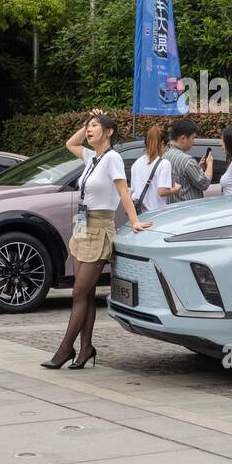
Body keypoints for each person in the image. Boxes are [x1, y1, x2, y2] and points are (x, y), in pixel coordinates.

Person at [43, 110, 151, 370]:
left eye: (95, 126)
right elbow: (71, 144)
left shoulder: (112, 158)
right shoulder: (92, 157)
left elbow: (123, 192)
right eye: (87, 126)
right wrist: (86, 122)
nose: (89, 130)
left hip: (100, 228)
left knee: (79, 292)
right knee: (86, 294)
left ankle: (65, 349)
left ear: (109, 132)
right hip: (82, 228)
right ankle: (86, 349)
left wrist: (134, 220)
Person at [129, 125, 179, 214]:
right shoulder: (164, 164)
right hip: (157, 214)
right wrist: (176, 189)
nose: (167, 149)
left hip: (140, 215)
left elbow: (134, 190)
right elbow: (162, 191)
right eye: (168, 145)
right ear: (162, 143)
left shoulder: (136, 163)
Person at [164, 116, 214, 203]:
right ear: (183, 138)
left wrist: (198, 169)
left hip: (171, 210)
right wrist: (209, 164)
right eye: (193, 138)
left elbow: (183, 179)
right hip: (188, 210)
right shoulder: (187, 161)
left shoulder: (163, 156)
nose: (194, 141)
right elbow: (204, 183)